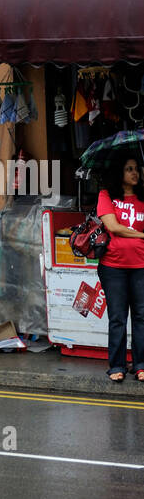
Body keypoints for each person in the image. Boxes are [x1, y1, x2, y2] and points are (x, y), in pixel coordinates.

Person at [96, 154, 144, 382]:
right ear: (119, 173)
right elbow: (113, 227)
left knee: (142, 316)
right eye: (129, 169)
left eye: (137, 168)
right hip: (113, 266)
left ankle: (140, 364)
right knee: (117, 317)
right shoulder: (106, 196)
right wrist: (142, 234)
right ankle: (117, 365)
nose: (135, 173)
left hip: (141, 265)